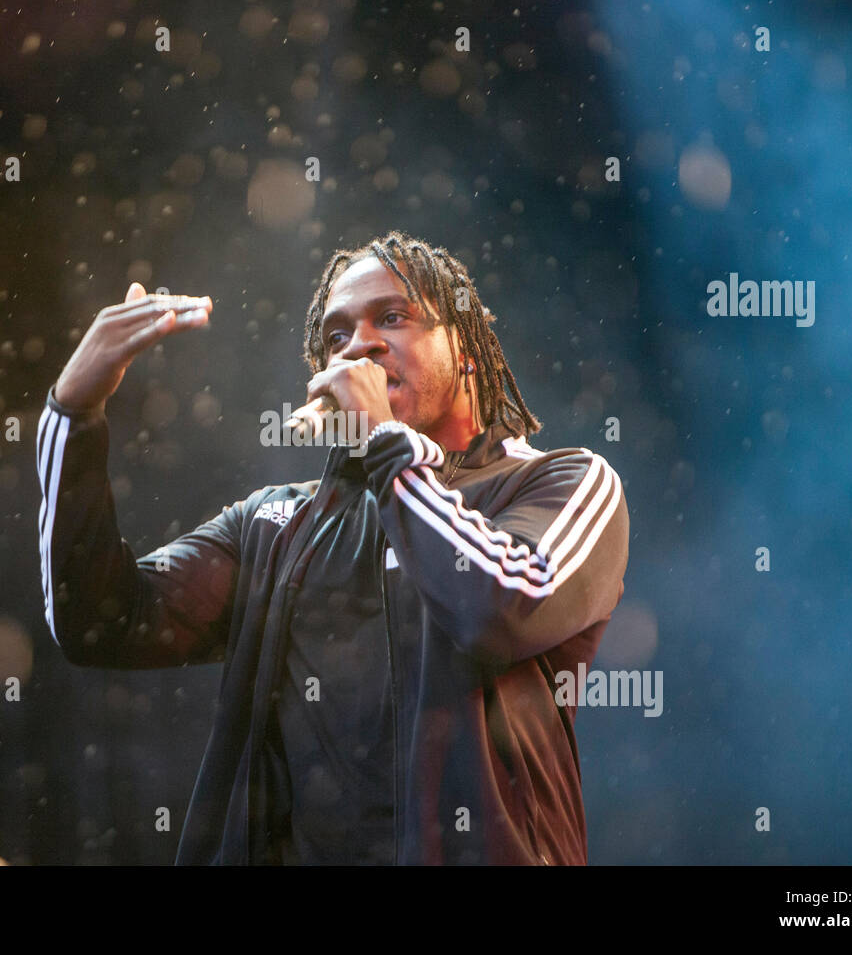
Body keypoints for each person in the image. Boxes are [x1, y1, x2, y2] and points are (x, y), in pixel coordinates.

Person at [35, 230, 629, 864]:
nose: (359, 345)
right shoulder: (273, 524)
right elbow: (100, 622)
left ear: (466, 351)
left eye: (392, 317)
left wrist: (384, 444)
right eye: (336, 335)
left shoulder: (560, 482)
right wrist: (73, 413)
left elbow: (496, 605)